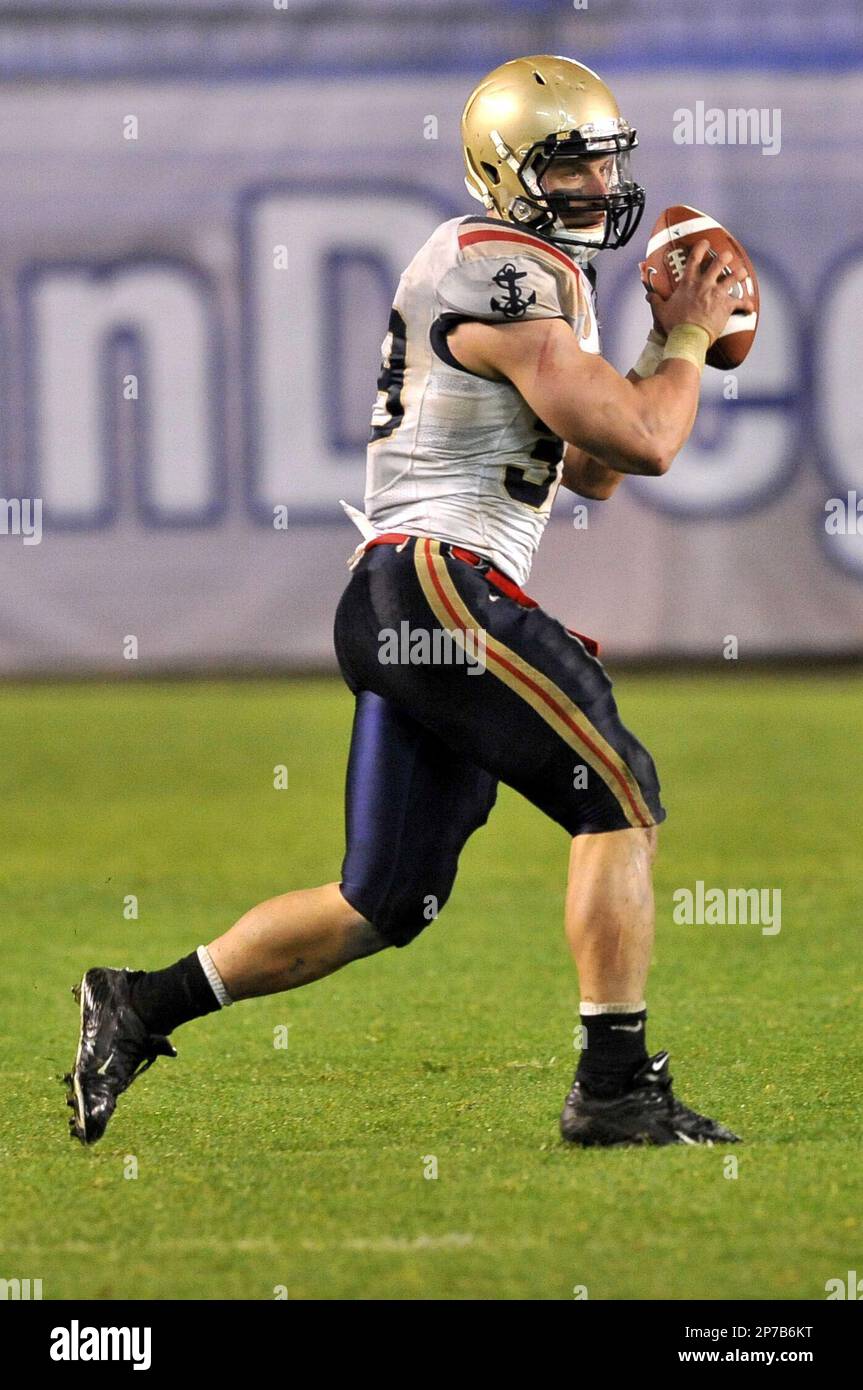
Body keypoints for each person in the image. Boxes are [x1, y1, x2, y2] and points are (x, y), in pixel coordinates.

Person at [66, 55, 752, 1148]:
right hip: (435, 584)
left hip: (415, 599)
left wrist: (650, 348)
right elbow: (646, 441)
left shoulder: (526, 277)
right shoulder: (500, 264)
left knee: (379, 901)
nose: (590, 183)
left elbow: (595, 466)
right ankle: (614, 1086)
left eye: (599, 159)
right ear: (505, 171)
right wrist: (684, 341)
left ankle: (137, 1004)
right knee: (616, 788)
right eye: (565, 161)